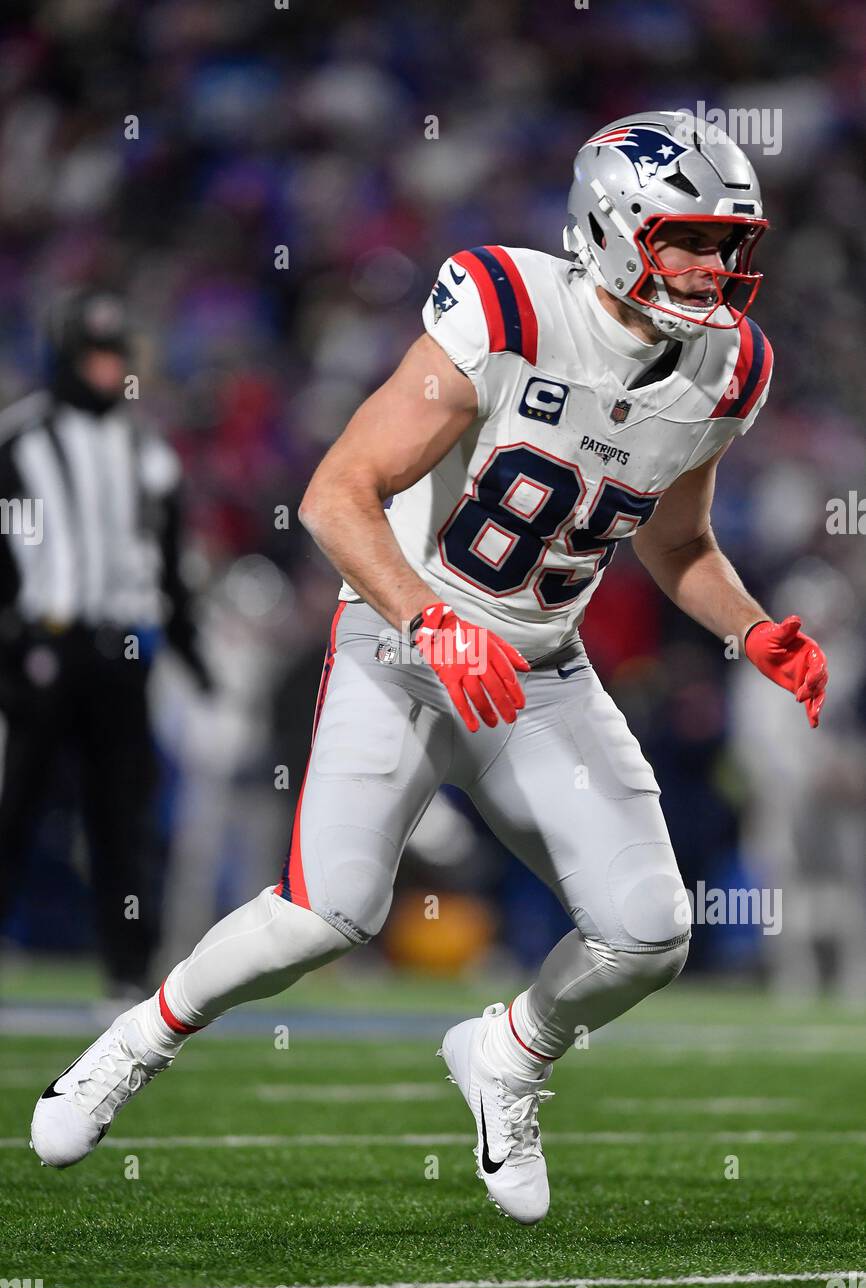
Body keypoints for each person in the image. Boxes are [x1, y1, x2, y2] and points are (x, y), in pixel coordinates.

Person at [30, 113, 827, 1225]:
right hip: (402, 644)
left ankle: (506, 1053)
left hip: (539, 670)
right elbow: (334, 494)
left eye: (726, 246)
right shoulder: (508, 306)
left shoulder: (727, 365)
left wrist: (749, 629)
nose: (713, 269)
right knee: (328, 912)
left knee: (648, 930)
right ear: (609, 225)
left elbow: (675, 541)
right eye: (687, 238)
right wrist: (430, 622)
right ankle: (137, 1038)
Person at [0, 289, 210, 1001]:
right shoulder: (19, 440)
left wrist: (191, 653)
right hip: (38, 650)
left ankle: (128, 968)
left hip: (123, 654)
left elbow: (173, 566)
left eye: (113, 356)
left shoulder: (149, 452)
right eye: (92, 356)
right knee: (14, 807)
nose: (104, 370)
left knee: (123, 820)